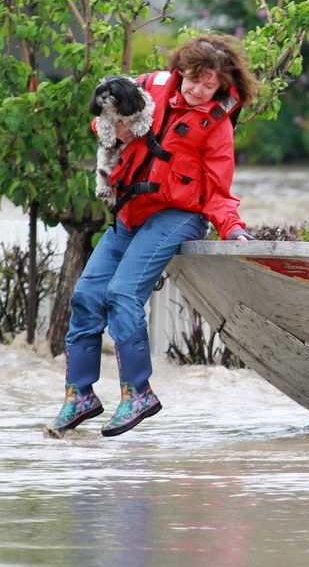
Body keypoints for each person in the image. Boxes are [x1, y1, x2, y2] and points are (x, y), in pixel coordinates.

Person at [45, 34, 259, 438]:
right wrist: (113, 129)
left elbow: (219, 192)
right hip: (130, 212)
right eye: (193, 80)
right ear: (181, 70)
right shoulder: (151, 86)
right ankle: (80, 395)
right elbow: (100, 113)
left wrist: (233, 229)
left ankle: (138, 391)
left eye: (208, 85)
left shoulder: (216, 127)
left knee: (122, 295)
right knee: (87, 296)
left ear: (223, 86)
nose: (197, 90)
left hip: (178, 216)